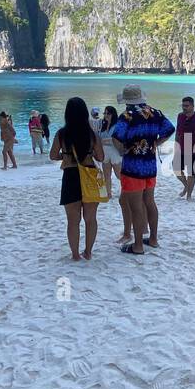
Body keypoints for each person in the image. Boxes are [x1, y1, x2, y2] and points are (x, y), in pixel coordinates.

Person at [111, 85, 174, 255]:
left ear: (126, 101)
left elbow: (116, 137)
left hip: (132, 166)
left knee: (136, 206)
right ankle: (153, 239)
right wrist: (156, 143)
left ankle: (137, 245)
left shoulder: (127, 116)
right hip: (150, 165)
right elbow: (170, 129)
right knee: (149, 202)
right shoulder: (156, 112)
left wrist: (122, 150)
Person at [51, 97, 104, 261]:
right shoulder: (92, 135)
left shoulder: (62, 134)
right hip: (89, 174)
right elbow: (100, 157)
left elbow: (52, 155)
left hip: (70, 176)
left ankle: (75, 254)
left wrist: (66, 156)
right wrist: (89, 154)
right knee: (90, 218)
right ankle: (88, 251)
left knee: (73, 221)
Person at [99, 105, 127, 242]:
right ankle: (108, 193)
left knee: (118, 174)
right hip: (105, 151)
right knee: (106, 174)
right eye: (105, 113)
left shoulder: (116, 125)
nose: (106, 115)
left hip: (114, 150)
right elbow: (100, 138)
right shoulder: (103, 126)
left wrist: (105, 141)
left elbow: (117, 139)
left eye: (108, 113)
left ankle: (125, 190)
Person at [172, 96, 195, 200]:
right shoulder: (180, 116)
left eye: (187, 106)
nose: (184, 108)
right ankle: (186, 187)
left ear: (192, 106)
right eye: (183, 106)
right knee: (176, 169)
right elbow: (178, 132)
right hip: (181, 148)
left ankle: (189, 195)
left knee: (191, 173)